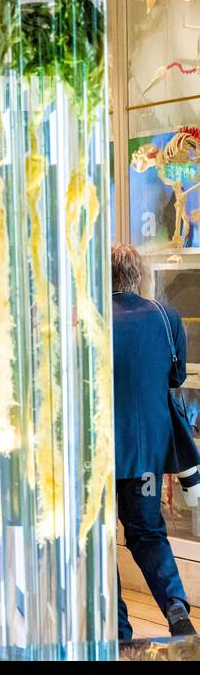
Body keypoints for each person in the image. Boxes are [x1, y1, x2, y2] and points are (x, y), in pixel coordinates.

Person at [111, 242, 196, 639]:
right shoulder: (165, 316)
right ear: (138, 275)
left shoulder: (88, 318)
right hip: (146, 450)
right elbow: (175, 377)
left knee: (92, 540)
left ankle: (118, 627)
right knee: (147, 533)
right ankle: (176, 609)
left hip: (97, 453)